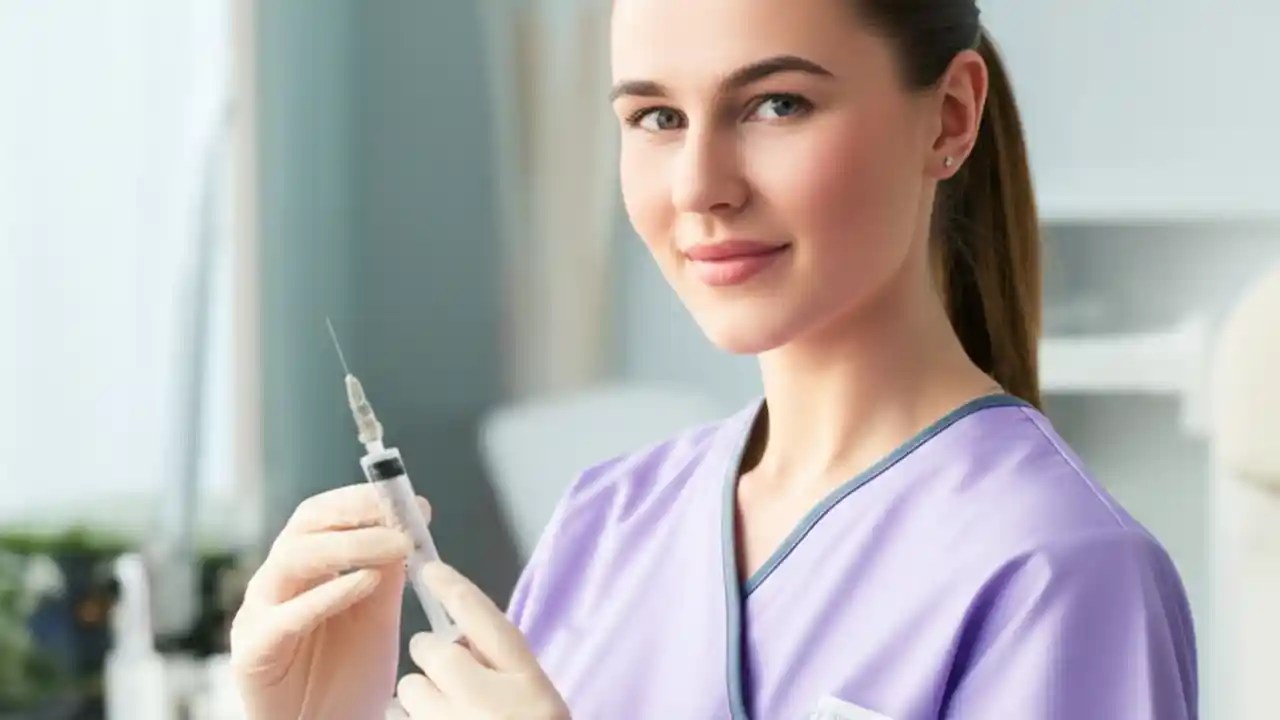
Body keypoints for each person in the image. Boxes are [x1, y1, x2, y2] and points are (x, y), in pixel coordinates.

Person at [229, 0, 1199, 717]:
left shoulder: (1055, 573)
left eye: (775, 104)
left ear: (947, 117)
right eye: (654, 118)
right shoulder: (603, 527)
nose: (699, 186)